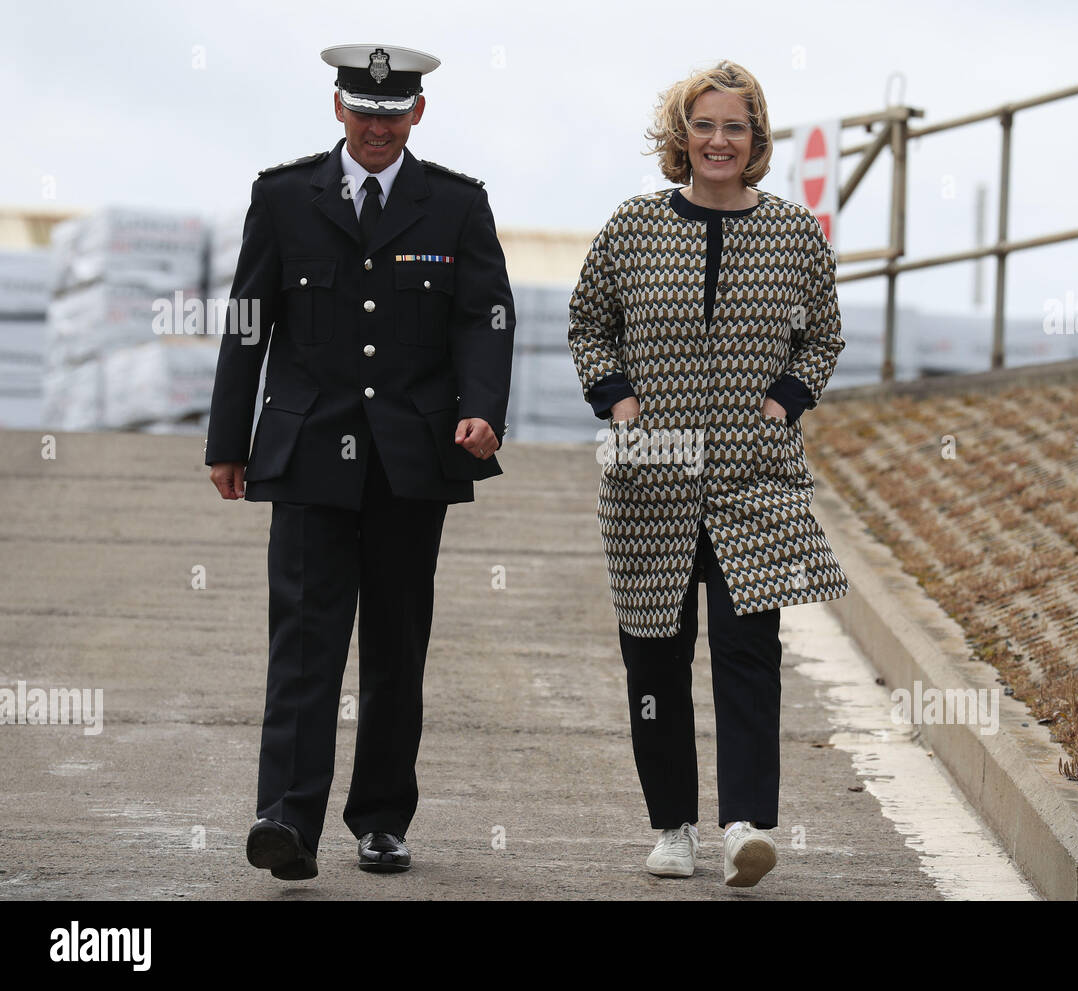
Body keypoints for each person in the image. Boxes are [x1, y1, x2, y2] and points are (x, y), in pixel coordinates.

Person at [205, 43, 515, 880]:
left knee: (394, 645)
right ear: (338, 109)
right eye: (363, 113)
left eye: (392, 115)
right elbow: (247, 324)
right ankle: (286, 818)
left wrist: (483, 409)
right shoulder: (282, 196)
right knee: (304, 643)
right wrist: (227, 441)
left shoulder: (454, 205)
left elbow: (484, 317)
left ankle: (380, 818)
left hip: (412, 459)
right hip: (307, 454)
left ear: (417, 114)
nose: (377, 129)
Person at [568, 60, 849, 888]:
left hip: (754, 478)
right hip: (648, 482)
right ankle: (673, 828)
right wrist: (617, 401)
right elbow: (589, 325)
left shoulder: (796, 235)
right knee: (654, 658)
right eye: (704, 125)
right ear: (679, 135)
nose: (718, 140)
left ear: (756, 139)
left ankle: (745, 826)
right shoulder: (632, 228)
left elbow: (823, 337)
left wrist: (784, 401)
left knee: (747, 653)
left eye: (735, 127)